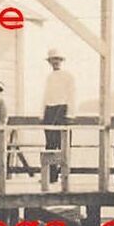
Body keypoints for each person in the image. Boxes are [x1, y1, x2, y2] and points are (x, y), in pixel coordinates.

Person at [42, 49, 75, 181]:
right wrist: (43, 114)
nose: (55, 62)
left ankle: (64, 173)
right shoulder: (49, 77)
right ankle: (51, 175)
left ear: (61, 61)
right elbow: (45, 96)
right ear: (50, 62)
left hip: (63, 110)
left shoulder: (68, 76)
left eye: (58, 60)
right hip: (49, 110)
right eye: (53, 60)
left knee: (64, 144)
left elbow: (72, 95)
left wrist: (70, 114)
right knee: (50, 143)